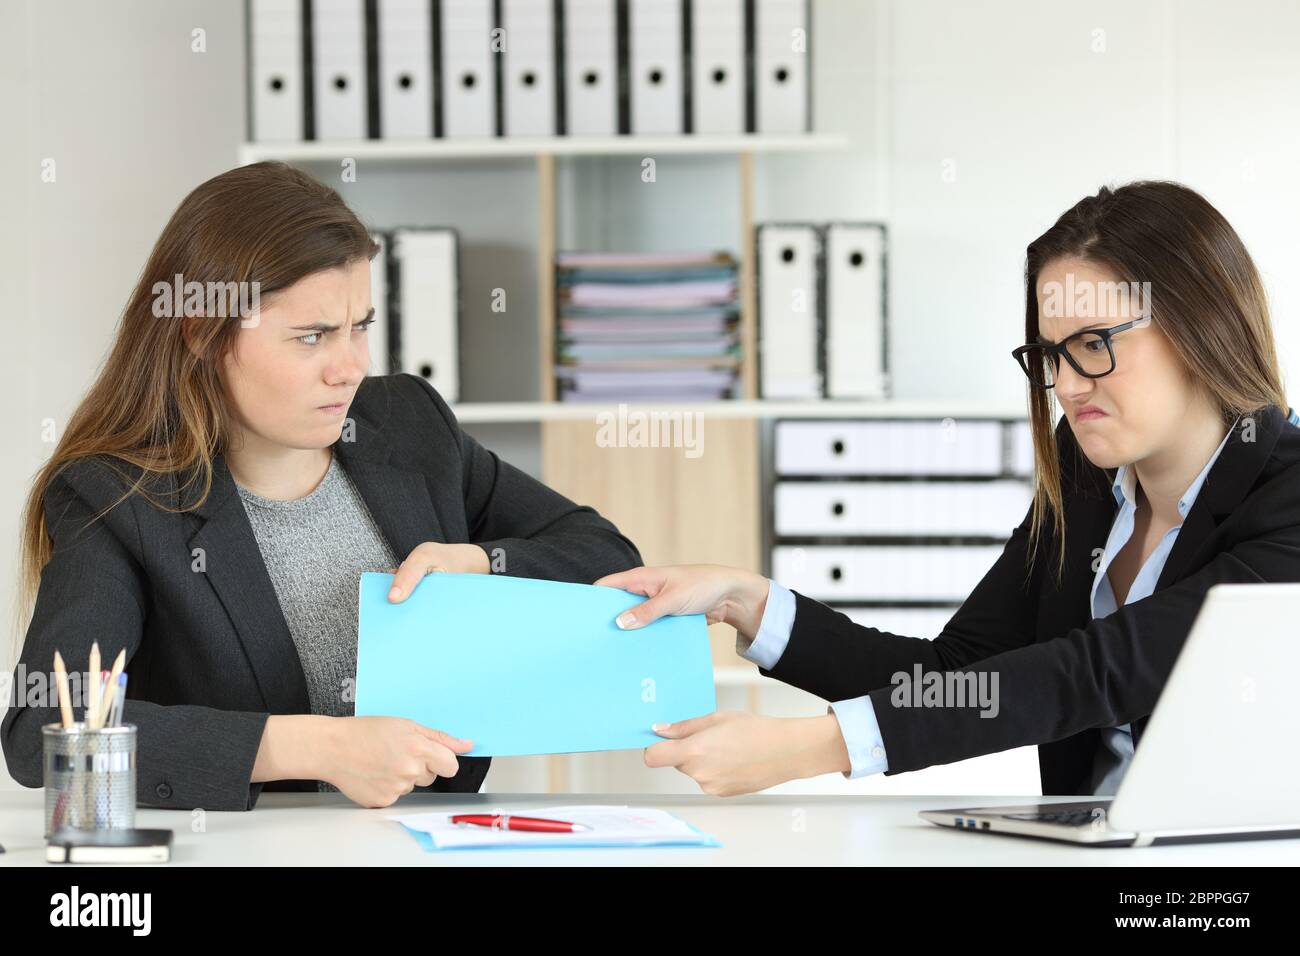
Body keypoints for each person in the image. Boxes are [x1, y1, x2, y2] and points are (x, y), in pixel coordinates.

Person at [598, 180, 1300, 797]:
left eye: (1093, 344)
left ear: (1201, 325)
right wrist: (750, 603)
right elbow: (955, 671)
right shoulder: (1089, 467)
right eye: (1051, 354)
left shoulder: (1289, 493)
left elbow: (1096, 673)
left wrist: (815, 747)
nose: (1067, 385)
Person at [3, 161, 641, 810]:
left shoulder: (408, 425)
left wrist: (480, 560)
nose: (353, 368)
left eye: (361, 326)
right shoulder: (115, 499)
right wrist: (313, 747)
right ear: (200, 333)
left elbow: (608, 556)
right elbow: (46, 733)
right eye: (312, 337)